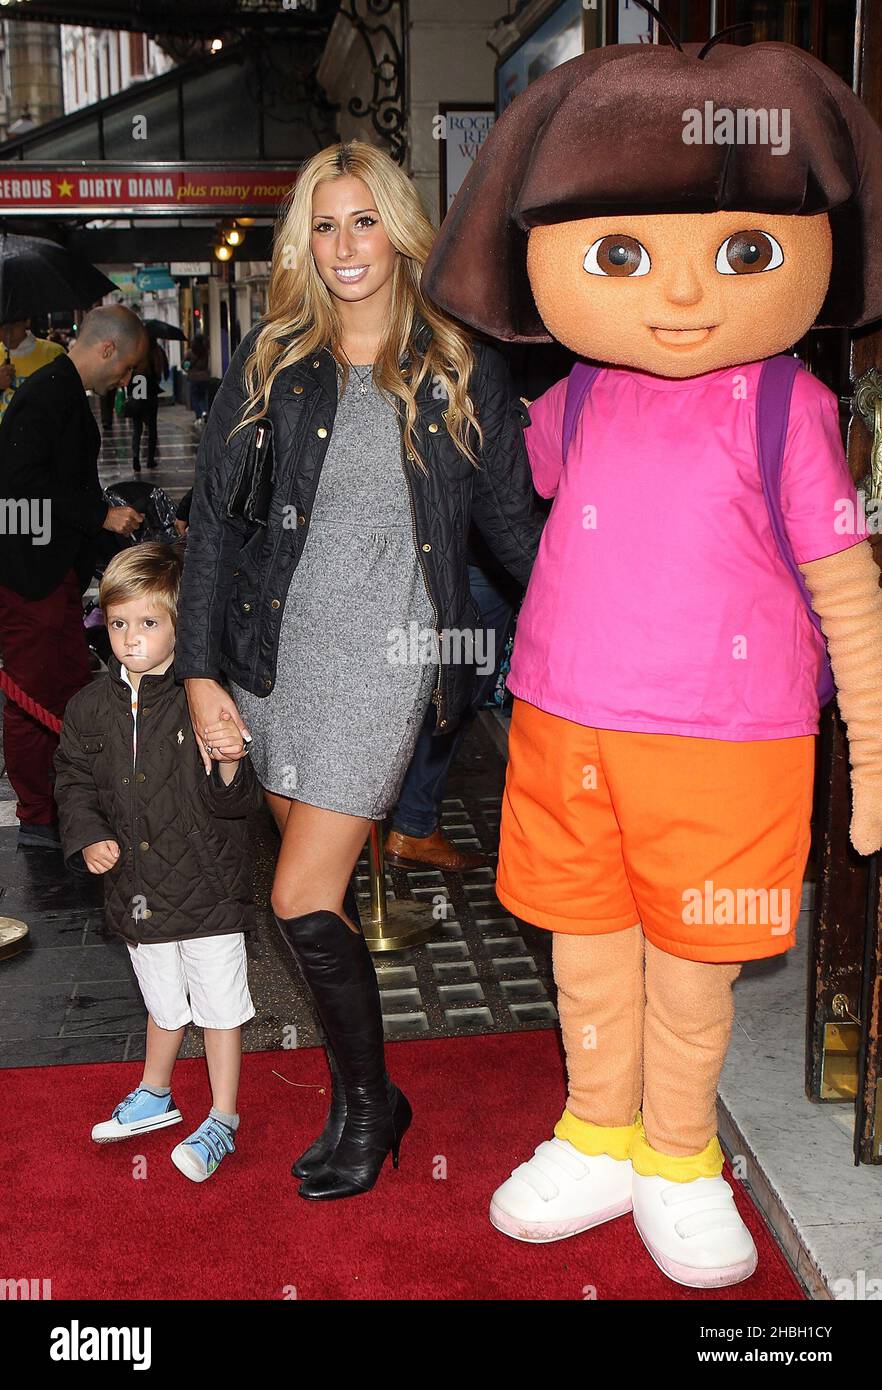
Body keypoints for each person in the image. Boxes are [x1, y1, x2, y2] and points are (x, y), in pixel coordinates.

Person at [423, 37, 882, 1287]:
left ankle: (681, 1155)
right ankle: (599, 1130)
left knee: (694, 968)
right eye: (621, 255)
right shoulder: (574, 397)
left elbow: (848, 589)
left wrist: (875, 759)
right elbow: (551, 512)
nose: (679, 296)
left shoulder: (788, 405)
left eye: (740, 253)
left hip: (730, 742)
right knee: (583, 946)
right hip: (566, 723)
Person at [173, 138, 545, 1202]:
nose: (345, 245)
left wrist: (616, 603)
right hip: (273, 653)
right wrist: (201, 676)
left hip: (387, 658)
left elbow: (514, 532)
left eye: (364, 220)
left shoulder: (459, 365)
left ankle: (373, 1107)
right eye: (325, 224)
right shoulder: (273, 362)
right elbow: (216, 534)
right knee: (318, 900)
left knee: (296, 896)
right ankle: (362, 1092)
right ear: (306, 240)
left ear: (400, 230)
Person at [53, 543, 262, 1182]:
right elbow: (74, 779)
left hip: (209, 888)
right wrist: (88, 834)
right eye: (119, 624)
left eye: (148, 623)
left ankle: (223, 1116)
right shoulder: (91, 707)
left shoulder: (202, 698)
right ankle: (156, 1092)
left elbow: (241, 802)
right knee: (163, 1001)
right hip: (137, 889)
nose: (131, 638)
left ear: (179, 625)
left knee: (220, 1008)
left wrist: (228, 759)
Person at [0, 303, 147, 848]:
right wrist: (98, 514)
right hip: (28, 576)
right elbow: (14, 490)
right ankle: (37, 812)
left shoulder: (63, 392)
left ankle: (63, 803)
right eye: (128, 367)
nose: (126, 380)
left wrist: (100, 513)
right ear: (106, 348)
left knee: (62, 688)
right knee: (32, 694)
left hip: (53, 574)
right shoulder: (47, 392)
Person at [385, 528, 520, 871]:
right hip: (479, 560)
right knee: (452, 699)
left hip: (430, 556)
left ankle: (394, 817)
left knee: (425, 691)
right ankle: (412, 826)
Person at [0, 316, 65, 421]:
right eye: (3, 327)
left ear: (27, 321)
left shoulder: (54, 352)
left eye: (15, 325)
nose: (9, 333)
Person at [127, 335, 168, 471]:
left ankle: (135, 459)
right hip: (149, 391)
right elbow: (160, 372)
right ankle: (150, 459)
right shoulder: (155, 351)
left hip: (137, 391)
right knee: (151, 428)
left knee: (137, 429)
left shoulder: (136, 351)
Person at [186, 335, 211, 425]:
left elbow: (185, 365)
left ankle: (199, 415)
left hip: (194, 378)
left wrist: (188, 367)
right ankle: (204, 411)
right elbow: (206, 364)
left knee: (195, 398)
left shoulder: (190, 352)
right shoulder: (205, 352)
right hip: (204, 378)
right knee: (202, 397)